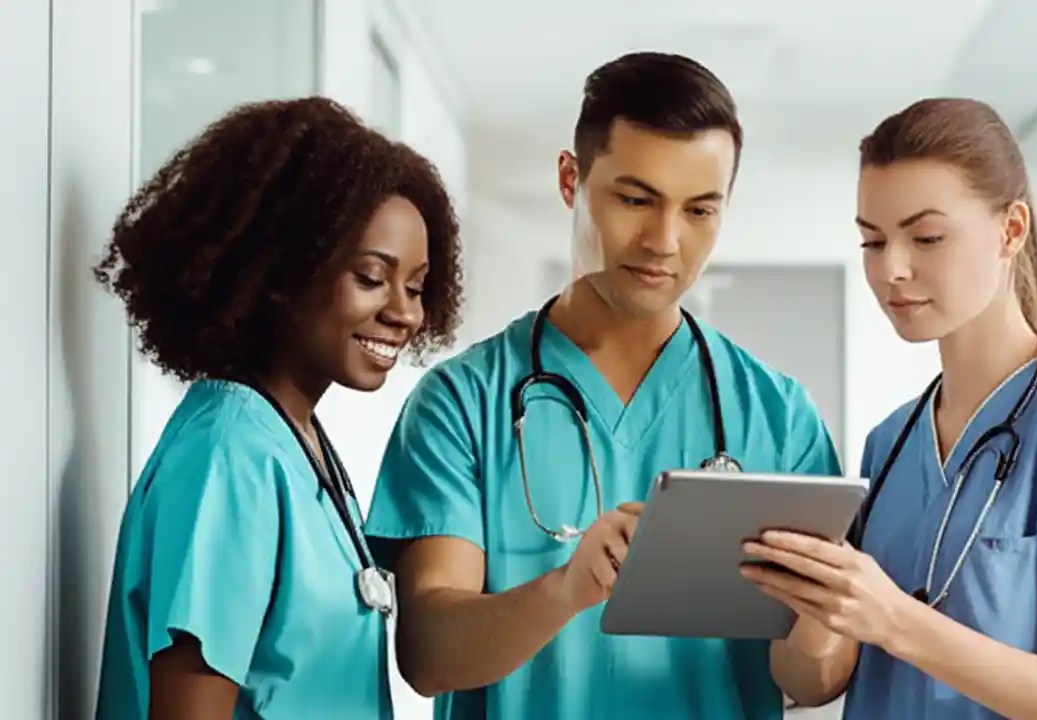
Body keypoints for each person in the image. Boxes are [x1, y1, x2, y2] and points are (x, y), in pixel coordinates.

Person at [363, 51, 842, 719]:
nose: (664, 240)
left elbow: (811, 679)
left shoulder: (778, 415)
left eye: (700, 210)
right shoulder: (462, 403)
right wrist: (566, 590)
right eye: (635, 199)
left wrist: (825, 616)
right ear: (571, 178)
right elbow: (429, 657)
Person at [742, 97, 1037, 719]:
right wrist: (815, 605)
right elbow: (812, 684)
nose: (891, 269)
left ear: (1011, 230)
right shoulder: (889, 443)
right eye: (872, 241)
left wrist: (894, 620)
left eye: (927, 238)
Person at [93, 96, 463, 720]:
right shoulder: (230, 455)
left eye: (417, 287)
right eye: (372, 277)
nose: (404, 312)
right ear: (281, 268)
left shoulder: (295, 440)